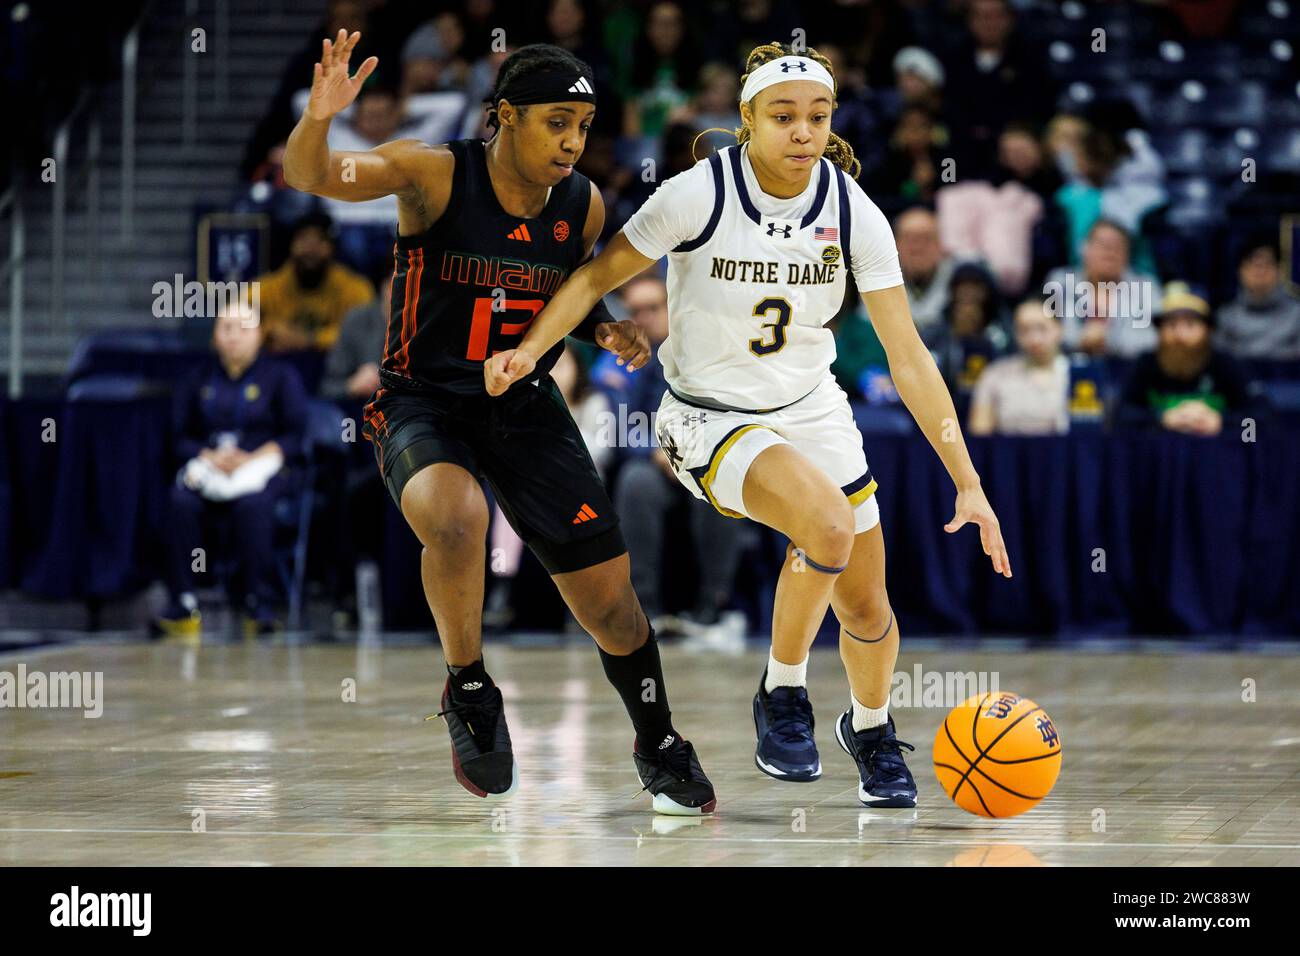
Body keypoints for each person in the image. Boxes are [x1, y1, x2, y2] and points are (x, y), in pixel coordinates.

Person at [488, 41, 1011, 809]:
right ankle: (782, 690)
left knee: (868, 605)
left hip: (812, 408)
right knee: (828, 528)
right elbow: (595, 275)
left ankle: (869, 728)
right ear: (748, 121)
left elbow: (909, 354)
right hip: (708, 417)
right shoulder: (700, 194)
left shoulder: (851, 209)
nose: (802, 132)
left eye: (817, 117)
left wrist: (969, 482)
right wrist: (531, 348)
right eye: (783, 117)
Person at [283, 33, 716, 814]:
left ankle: (658, 739)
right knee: (457, 517)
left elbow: (567, 295)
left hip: (524, 405)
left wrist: (605, 328)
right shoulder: (432, 173)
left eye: (582, 128)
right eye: (556, 123)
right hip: (423, 400)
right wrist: (320, 120)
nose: (572, 143)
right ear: (504, 116)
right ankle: (470, 687)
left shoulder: (582, 203)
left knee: (612, 605)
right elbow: (309, 174)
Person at [601, 274, 747, 632]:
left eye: (652, 308)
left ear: (674, 306)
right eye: (634, 312)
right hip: (655, 464)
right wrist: (656, 451)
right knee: (636, 483)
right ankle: (644, 608)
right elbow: (622, 426)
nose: (644, 319)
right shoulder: (624, 364)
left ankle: (713, 606)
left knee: (718, 484)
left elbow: (733, 414)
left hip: (705, 457)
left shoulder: (710, 353)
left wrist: (691, 453)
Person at [154, 303, 307, 638]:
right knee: (180, 501)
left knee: (253, 506)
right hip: (212, 469)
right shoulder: (197, 379)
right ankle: (182, 599)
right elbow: (178, 438)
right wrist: (208, 455)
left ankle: (257, 600)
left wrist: (253, 458)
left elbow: (296, 437)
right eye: (225, 327)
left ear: (259, 334)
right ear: (214, 335)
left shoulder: (281, 377)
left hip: (262, 469)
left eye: (242, 327)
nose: (233, 335)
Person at [1117, 283, 1253, 435]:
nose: (1180, 335)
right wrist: (1161, 419)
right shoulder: (1146, 363)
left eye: (1190, 324)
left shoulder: (1225, 364)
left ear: (1208, 330)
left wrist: (1221, 421)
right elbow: (1119, 417)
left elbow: (1260, 419)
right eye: (1171, 325)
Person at [256, 211, 374, 352]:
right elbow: (237, 318)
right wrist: (268, 329)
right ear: (291, 245)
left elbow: (367, 332)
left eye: (320, 239)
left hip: (338, 369)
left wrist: (311, 339)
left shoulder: (355, 288)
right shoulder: (270, 287)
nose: (311, 248)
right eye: (303, 239)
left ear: (332, 247)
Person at [968, 297, 1069, 435]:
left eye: (1042, 328)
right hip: (1007, 455)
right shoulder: (995, 375)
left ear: (1059, 329)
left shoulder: (1079, 375)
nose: (1034, 339)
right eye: (1024, 330)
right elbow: (979, 434)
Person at [1215, 238, 1300, 361]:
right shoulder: (1226, 316)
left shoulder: (1297, 315)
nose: (1260, 271)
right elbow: (1222, 363)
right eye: (1253, 265)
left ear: (1280, 271)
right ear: (1240, 271)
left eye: (1267, 264)